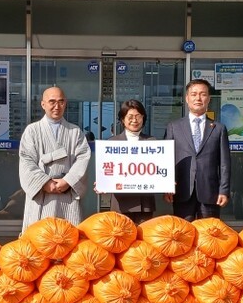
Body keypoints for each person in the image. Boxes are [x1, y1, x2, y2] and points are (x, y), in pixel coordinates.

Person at [18, 86, 91, 232]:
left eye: (61, 102)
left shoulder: (75, 132)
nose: (56, 106)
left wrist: (68, 181)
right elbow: (26, 161)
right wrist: (45, 183)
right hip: (42, 194)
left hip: (66, 193)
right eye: (52, 102)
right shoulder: (32, 131)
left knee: (68, 241)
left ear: (65, 103)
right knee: (40, 241)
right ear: (43, 104)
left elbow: (83, 158)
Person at [163, 78, 231, 221]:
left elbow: (225, 163)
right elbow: (166, 159)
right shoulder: (174, 127)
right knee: (183, 235)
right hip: (181, 191)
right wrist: (167, 185)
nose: (198, 98)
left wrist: (224, 190)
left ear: (209, 99)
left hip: (210, 192)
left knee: (208, 235)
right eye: (193, 94)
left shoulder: (219, 128)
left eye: (202, 94)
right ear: (187, 98)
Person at [106, 99, 157, 224]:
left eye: (138, 116)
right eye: (130, 117)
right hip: (121, 202)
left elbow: (159, 169)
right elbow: (106, 169)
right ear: (123, 119)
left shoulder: (152, 142)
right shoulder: (112, 143)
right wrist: (102, 182)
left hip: (144, 202)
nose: (134, 120)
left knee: (143, 239)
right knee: (122, 237)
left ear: (143, 118)